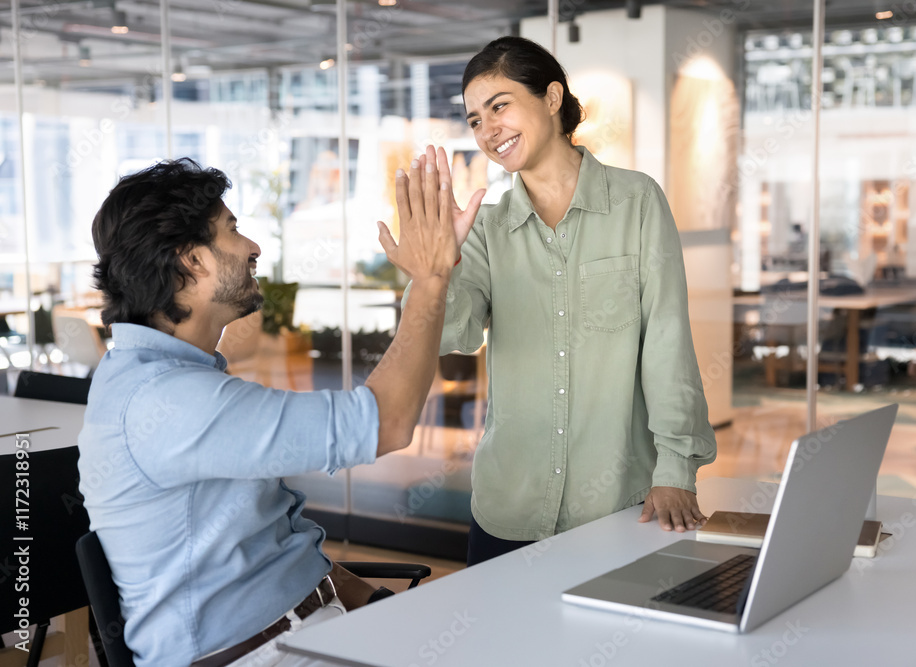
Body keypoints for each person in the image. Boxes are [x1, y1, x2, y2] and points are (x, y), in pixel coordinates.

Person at [78, 154, 458, 667]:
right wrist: (430, 280)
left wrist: (374, 605)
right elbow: (386, 421)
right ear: (192, 260)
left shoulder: (162, 377)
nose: (253, 247)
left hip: (306, 629)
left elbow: (276, 542)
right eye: (232, 230)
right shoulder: (168, 400)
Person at [406, 37, 718, 566]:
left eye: (499, 106)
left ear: (552, 98)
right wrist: (433, 272)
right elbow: (454, 335)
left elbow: (667, 341)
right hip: (508, 508)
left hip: (619, 503)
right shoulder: (486, 229)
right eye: (475, 119)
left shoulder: (636, 202)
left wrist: (675, 470)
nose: (488, 130)